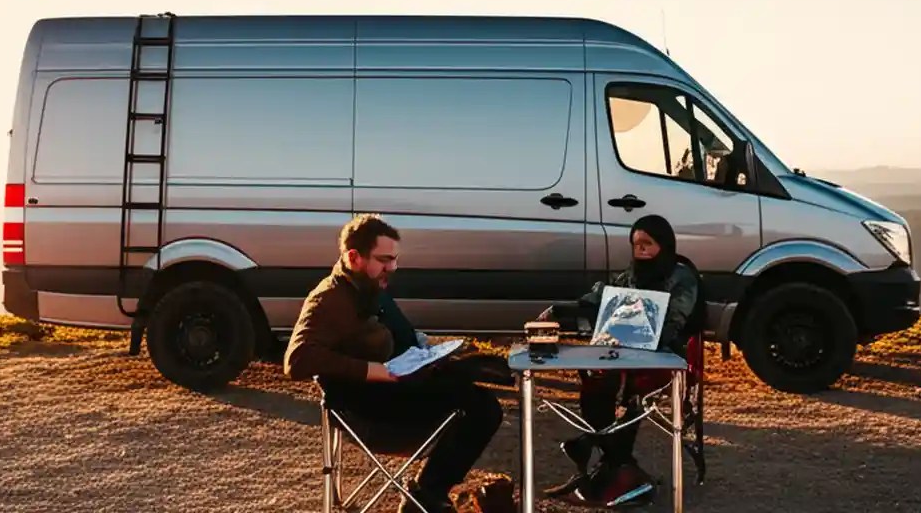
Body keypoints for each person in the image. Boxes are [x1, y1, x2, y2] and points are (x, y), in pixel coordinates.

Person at [283, 213, 506, 513]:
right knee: (480, 406)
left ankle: (428, 492)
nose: (392, 267)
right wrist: (370, 370)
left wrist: (428, 349)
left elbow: (399, 335)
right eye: (384, 260)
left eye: (395, 259)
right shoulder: (329, 299)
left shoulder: (369, 286)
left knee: (474, 384)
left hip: (399, 384)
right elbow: (296, 359)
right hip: (368, 407)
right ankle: (427, 494)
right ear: (354, 257)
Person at [538, 214, 702, 508]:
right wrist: (560, 310)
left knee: (622, 384)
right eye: (636, 244)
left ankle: (602, 458)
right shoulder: (630, 275)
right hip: (623, 354)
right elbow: (600, 298)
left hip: (665, 357)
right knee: (594, 384)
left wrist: (636, 331)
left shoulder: (682, 278)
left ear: (664, 245)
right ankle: (618, 464)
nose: (641, 250)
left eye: (647, 244)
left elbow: (674, 323)